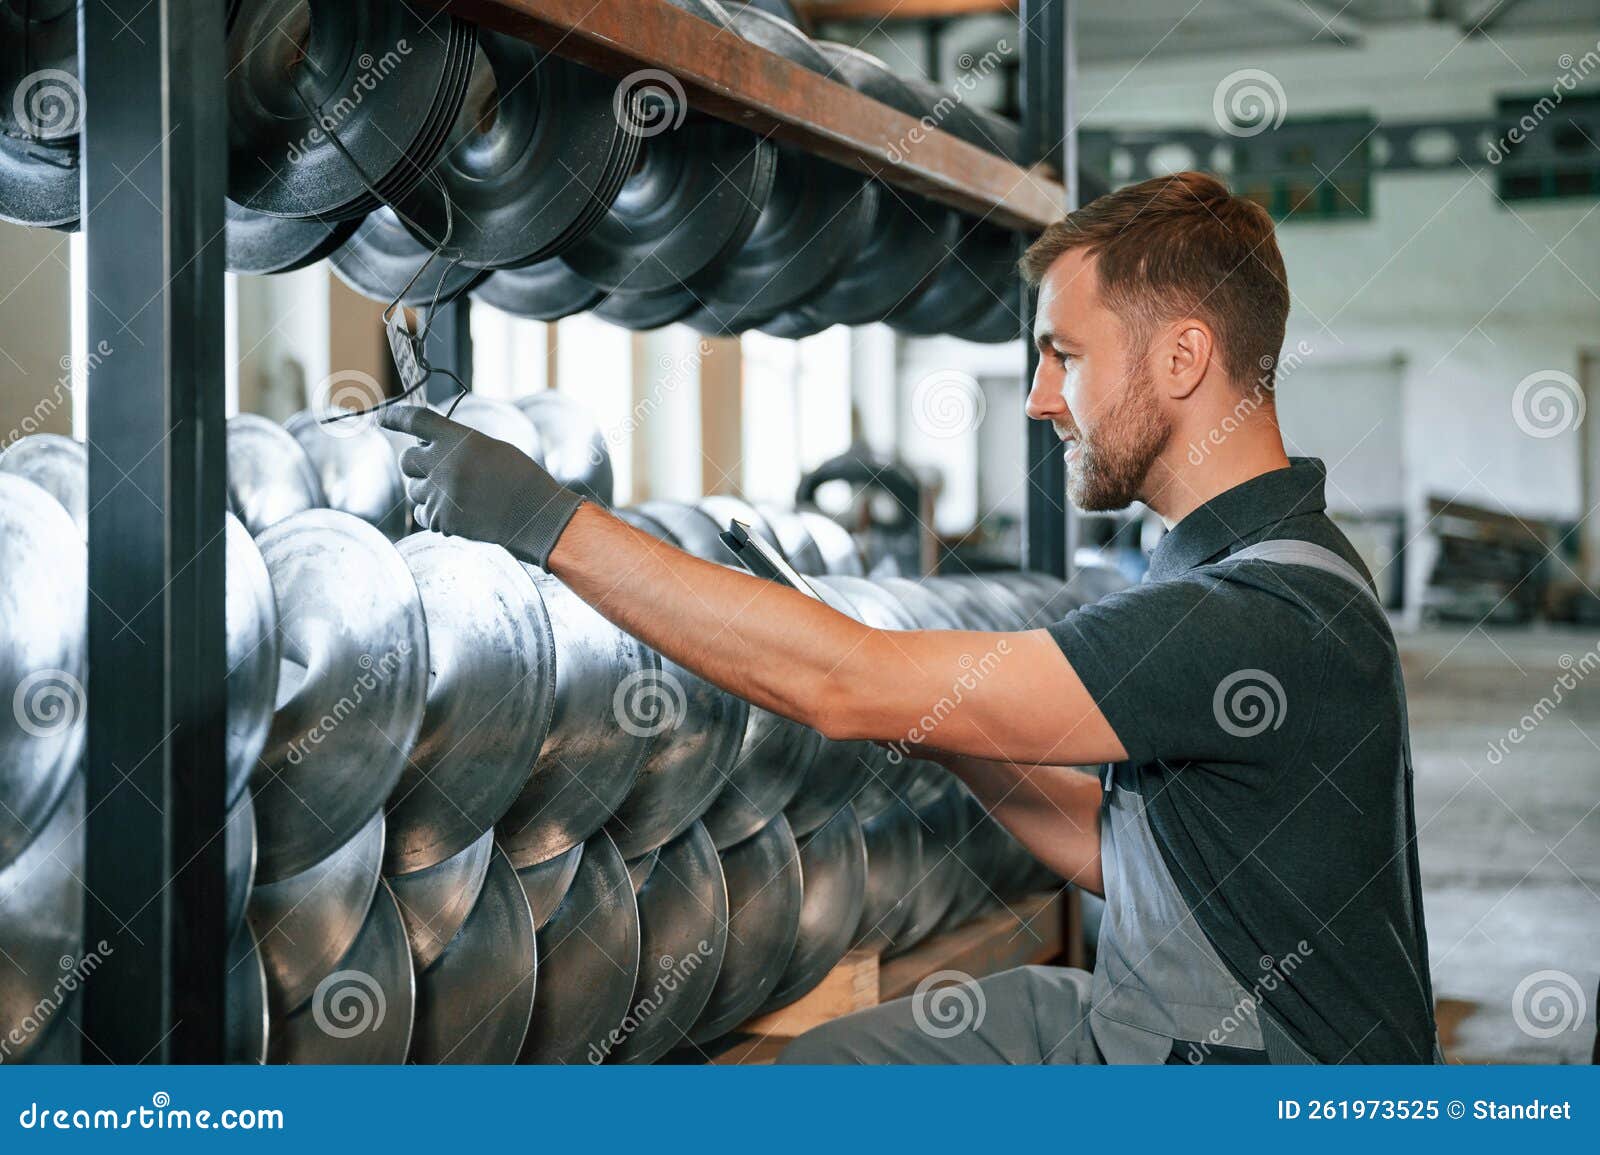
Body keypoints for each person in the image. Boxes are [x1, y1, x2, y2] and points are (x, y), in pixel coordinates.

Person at [381, 170, 1440, 1065]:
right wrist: (942, 721)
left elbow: (842, 686)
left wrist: (547, 522)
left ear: (1181, 359)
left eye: (1063, 354)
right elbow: (1144, 865)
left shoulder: (1255, 614)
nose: (1037, 397)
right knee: (815, 1076)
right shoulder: (1258, 571)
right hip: (1154, 1028)